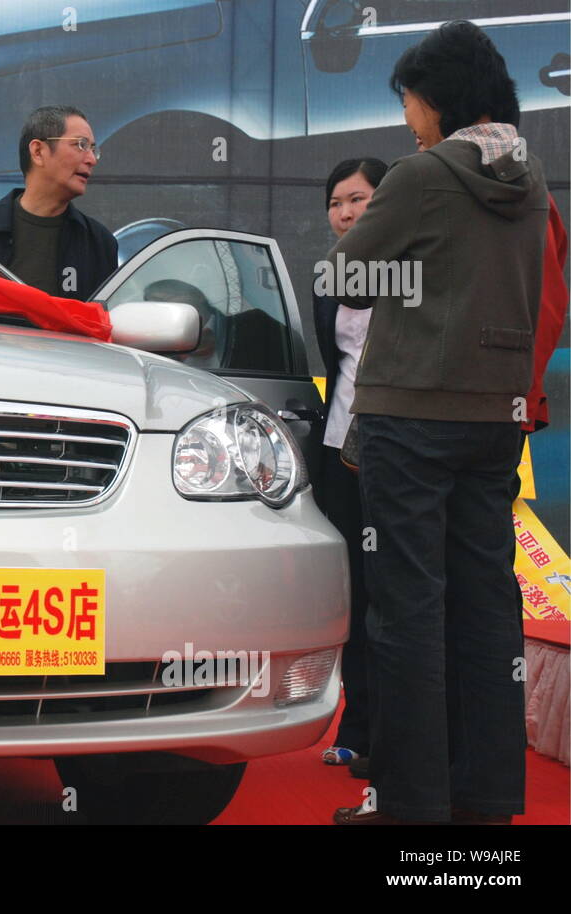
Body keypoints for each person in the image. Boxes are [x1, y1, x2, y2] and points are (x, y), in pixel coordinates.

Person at [329, 21, 548, 825]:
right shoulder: (534, 179)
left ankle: (412, 807)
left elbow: (348, 279)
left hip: (412, 415)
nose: (408, 119)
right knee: (488, 608)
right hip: (497, 415)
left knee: (409, 614)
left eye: (412, 102)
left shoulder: (422, 176)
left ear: (439, 100)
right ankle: (485, 799)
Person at [312, 157, 388, 769]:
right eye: (337, 202)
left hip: (400, 457)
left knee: (401, 595)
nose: (346, 212)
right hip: (341, 453)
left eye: (358, 199)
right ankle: (358, 729)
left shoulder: (418, 270)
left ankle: (406, 736)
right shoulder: (329, 278)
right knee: (356, 598)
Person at [0, 105, 118, 301]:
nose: (92, 159)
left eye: (93, 149)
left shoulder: (98, 242)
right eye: (80, 145)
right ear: (38, 151)